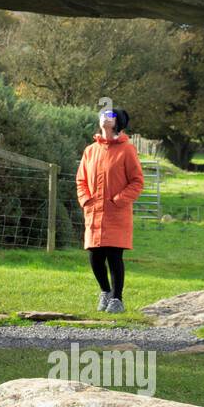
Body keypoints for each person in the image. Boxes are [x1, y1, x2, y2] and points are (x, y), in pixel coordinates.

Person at [75, 108, 144, 313]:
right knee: (95, 255)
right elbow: (81, 180)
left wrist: (119, 200)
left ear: (118, 122)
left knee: (114, 256)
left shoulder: (127, 150)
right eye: (103, 114)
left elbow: (137, 181)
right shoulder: (90, 150)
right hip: (94, 210)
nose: (105, 117)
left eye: (111, 115)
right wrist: (86, 200)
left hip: (117, 212)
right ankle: (105, 292)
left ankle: (117, 299)